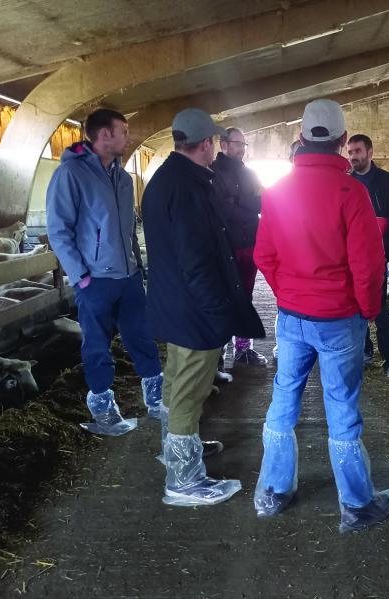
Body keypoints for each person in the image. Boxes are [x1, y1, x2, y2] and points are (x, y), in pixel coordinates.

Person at [252, 99, 389, 531]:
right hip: (339, 319)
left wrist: (289, 292)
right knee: (341, 406)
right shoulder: (352, 193)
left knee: (283, 400)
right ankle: (355, 503)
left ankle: (273, 492)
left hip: (293, 317)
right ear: (340, 142)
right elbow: (368, 265)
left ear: (300, 138)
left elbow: (264, 254)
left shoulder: (276, 191)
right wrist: (368, 309)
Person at [142, 108, 265, 507]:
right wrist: (216, 312)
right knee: (189, 391)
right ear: (209, 144)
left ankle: (178, 448)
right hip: (194, 309)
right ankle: (183, 480)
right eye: (216, 143)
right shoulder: (189, 188)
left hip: (174, 304)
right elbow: (196, 259)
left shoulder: (166, 178)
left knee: (177, 380)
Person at [46, 108, 163, 435]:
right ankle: (102, 407)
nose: (128, 137)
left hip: (127, 276)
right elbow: (58, 230)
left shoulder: (124, 178)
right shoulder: (71, 175)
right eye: (123, 131)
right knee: (97, 343)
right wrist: (81, 275)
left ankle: (156, 400)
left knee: (141, 336)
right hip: (95, 279)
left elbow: (128, 229)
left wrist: (137, 265)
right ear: (104, 135)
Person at [347, 134, 389, 388]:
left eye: (358, 151)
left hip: (377, 257)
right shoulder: (344, 182)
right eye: (350, 152)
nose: (353, 156)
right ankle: (364, 352)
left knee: (380, 308)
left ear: (370, 153)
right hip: (350, 258)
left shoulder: (387, 182)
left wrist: (384, 249)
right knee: (353, 308)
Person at [211, 127, 268, 368]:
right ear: (224, 144)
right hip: (225, 247)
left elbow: (262, 202)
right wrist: (247, 206)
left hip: (248, 244)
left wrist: (240, 204)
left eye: (245, 145)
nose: (243, 149)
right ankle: (218, 353)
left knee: (245, 296)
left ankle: (243, 349)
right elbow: (221, 209)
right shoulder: (213, 173)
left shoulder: (250, 173)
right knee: (223, 297)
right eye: (238, 144)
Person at [271, 139, 303, 363]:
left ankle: (286, 349)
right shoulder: (280, 190)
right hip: (292, 270)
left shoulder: (280, 189)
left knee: (288, 382)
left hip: (294, 278)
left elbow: (264, 252)